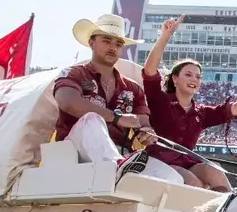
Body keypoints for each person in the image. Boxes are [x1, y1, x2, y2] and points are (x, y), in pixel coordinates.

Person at [142, 16, 237, 192]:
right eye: (188, 74)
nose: (194, 79)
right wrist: (165, 36)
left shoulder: (201, 112)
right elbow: (150, 71)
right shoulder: (160, 100)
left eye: (198, 76)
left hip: (186, 162)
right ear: (175, 79)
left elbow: (234, 109)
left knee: (215, 172)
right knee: (193, 183)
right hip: (157, 160)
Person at [53, 15, 175, 181]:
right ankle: (116, 167)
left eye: (118, 44)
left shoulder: (132, 87)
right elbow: (68, 103)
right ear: (91, 42)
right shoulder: (74, 73)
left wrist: (147, 132)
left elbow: (142, 121)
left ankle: (120, 169)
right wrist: (117, 118)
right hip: (73, 149)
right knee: (92, 119)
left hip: (121, 152)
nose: (113, 47)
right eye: (106, 41)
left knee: (171, 176)